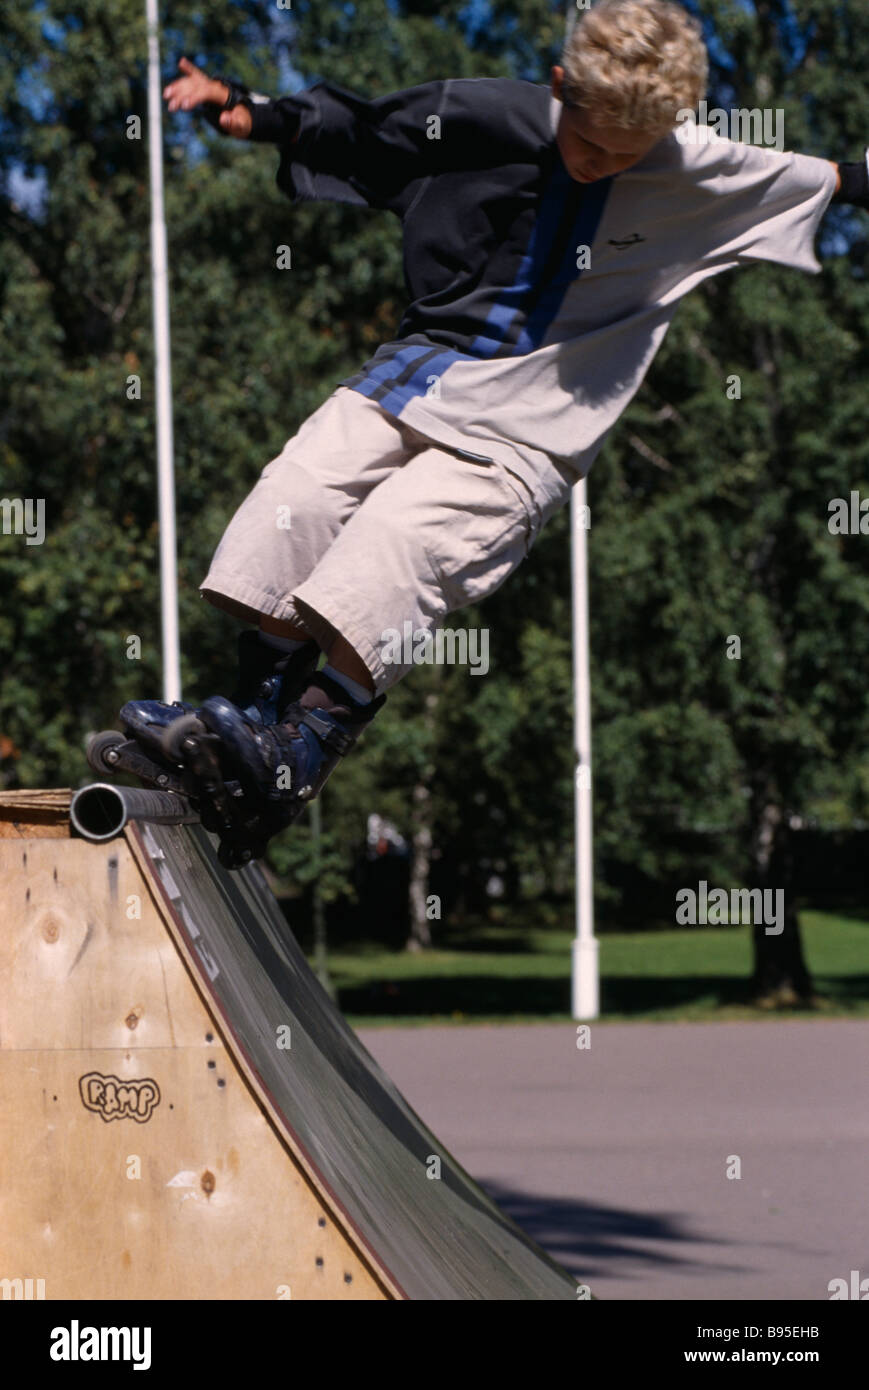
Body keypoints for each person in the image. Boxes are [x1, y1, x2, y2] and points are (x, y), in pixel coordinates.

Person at [121, 0, 868, 865]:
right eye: (589, 146)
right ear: (558, 89)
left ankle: (303, 748)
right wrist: (248, 110)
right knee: (294, 499)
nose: (601, 169)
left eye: (627, 159)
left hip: (525, 434)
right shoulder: (482, 115)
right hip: (413, 375)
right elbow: (369, 130)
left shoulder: (699, 164)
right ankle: (248, 720)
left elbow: (842, 178)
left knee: (398, 544)